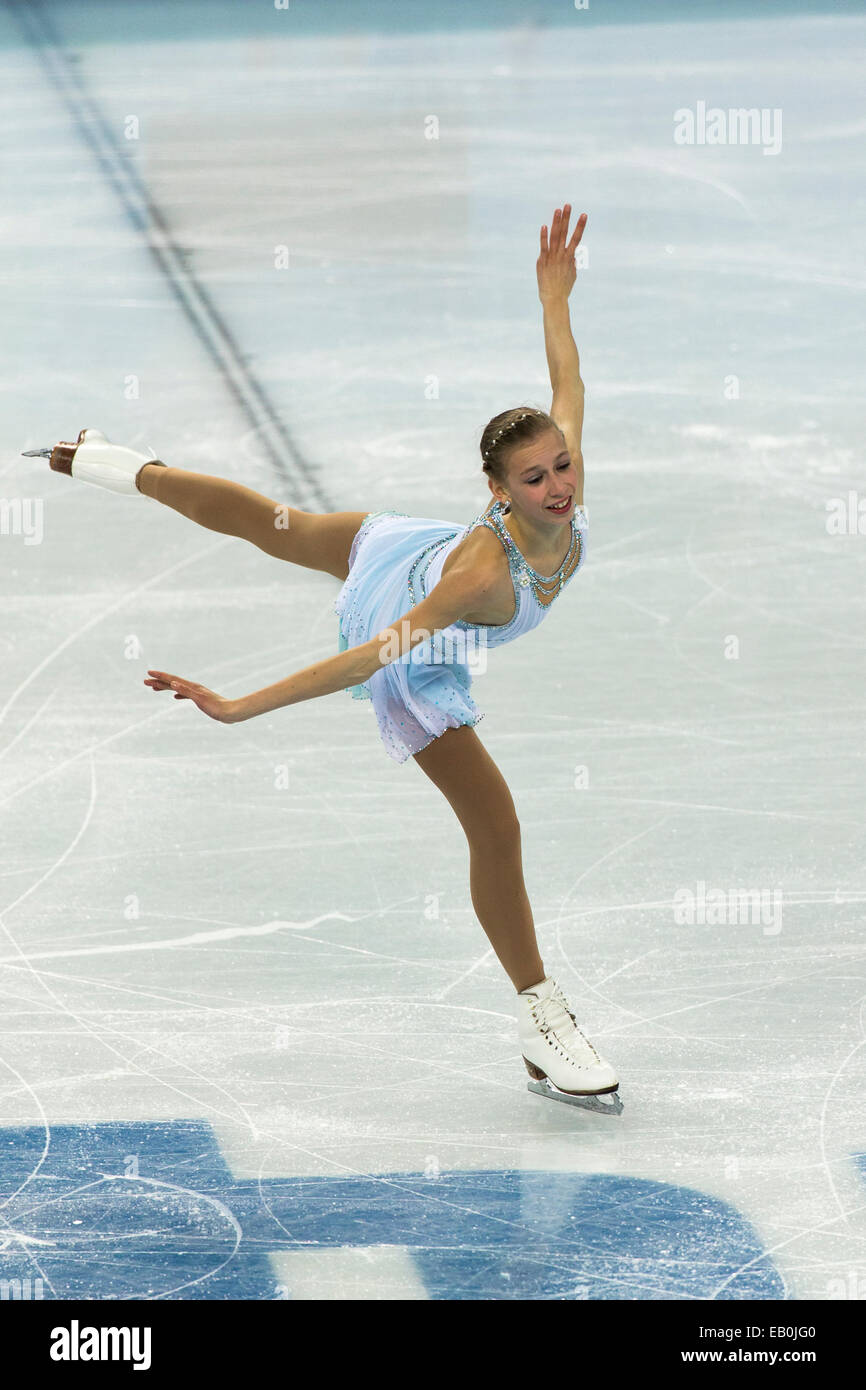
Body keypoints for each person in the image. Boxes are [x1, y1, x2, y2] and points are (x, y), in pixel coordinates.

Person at [25, 205, 620, 1114]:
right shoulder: (475, 574)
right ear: (496, 494)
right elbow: (367, 661)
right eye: (535, 479)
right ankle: (543, 1021)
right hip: (410, 623)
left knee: (285, 527)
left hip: (401, 551)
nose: (559, 487)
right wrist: (237, 707)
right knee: (495, 826)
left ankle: (119, 464)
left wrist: (554, 295)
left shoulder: (557, 476)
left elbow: (564, 378)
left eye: (562, 467)